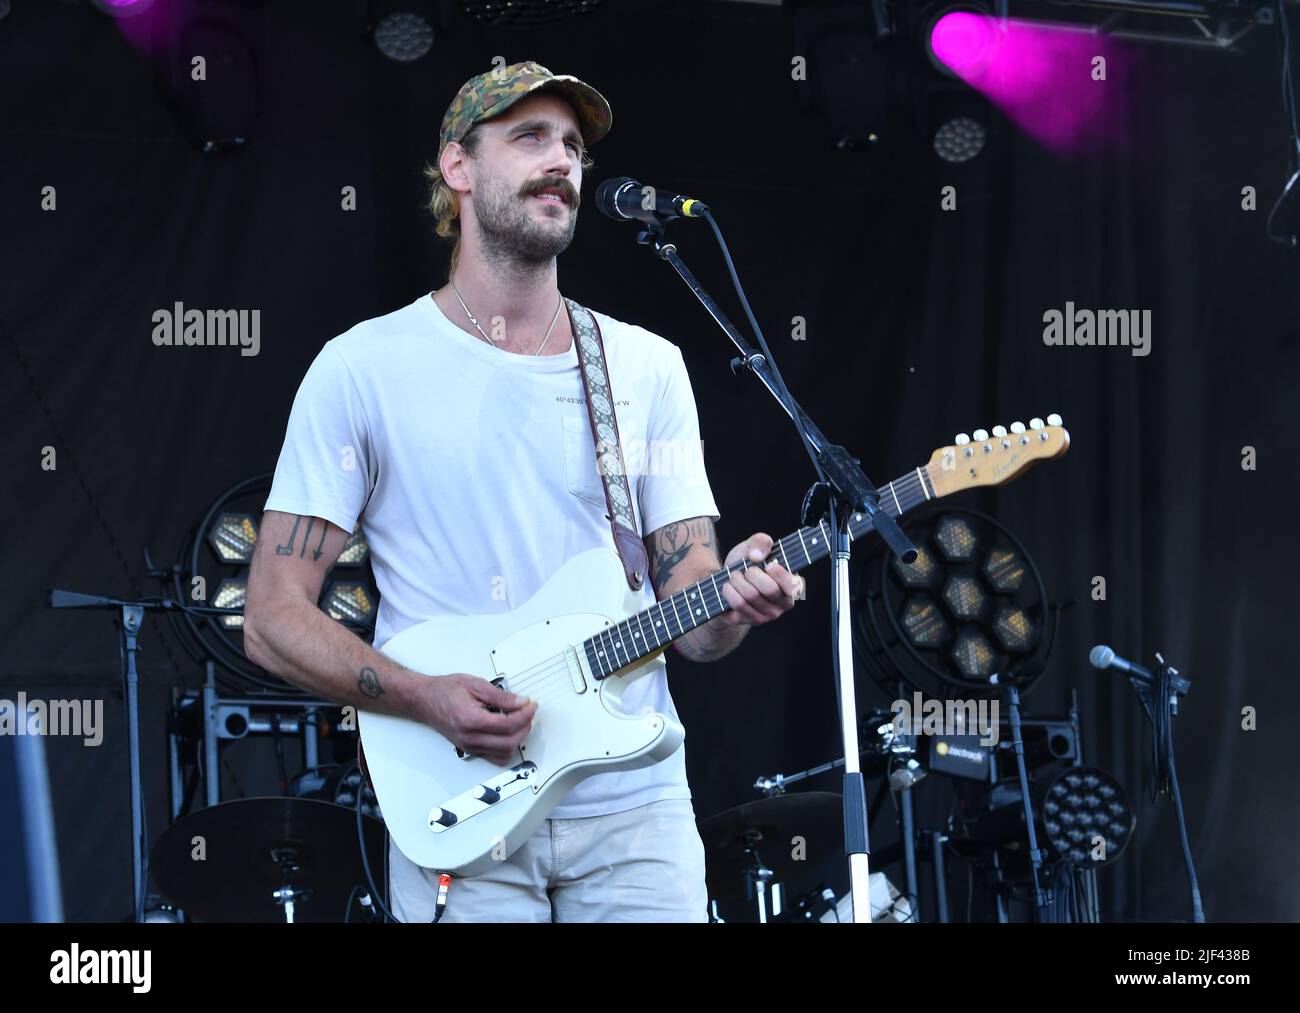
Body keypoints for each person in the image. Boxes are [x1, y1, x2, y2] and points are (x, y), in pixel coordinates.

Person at [243, 61, 803, 923]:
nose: (563, 161)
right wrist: (422, 696)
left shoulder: (644, 365)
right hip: (462, 809)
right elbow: (273, 616)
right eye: (530, 137)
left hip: (634, 809)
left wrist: (731, 598)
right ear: (457, 168)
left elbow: (692, 617)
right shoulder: (363, 367)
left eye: (574, 146)